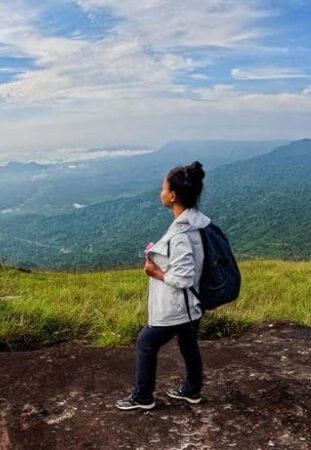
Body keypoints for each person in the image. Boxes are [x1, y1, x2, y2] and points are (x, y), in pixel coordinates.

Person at [115, 161, 210, 411]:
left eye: (163, 188)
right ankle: (191, 390)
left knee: (145, 343)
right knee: (188, 345)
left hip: (176, 307)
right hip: (192, 305)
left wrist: (156, 272)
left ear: (173, 195)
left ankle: (143, 396)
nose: (161, 192)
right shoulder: (196, 224)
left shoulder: (180, 235)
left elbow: (184, 278)